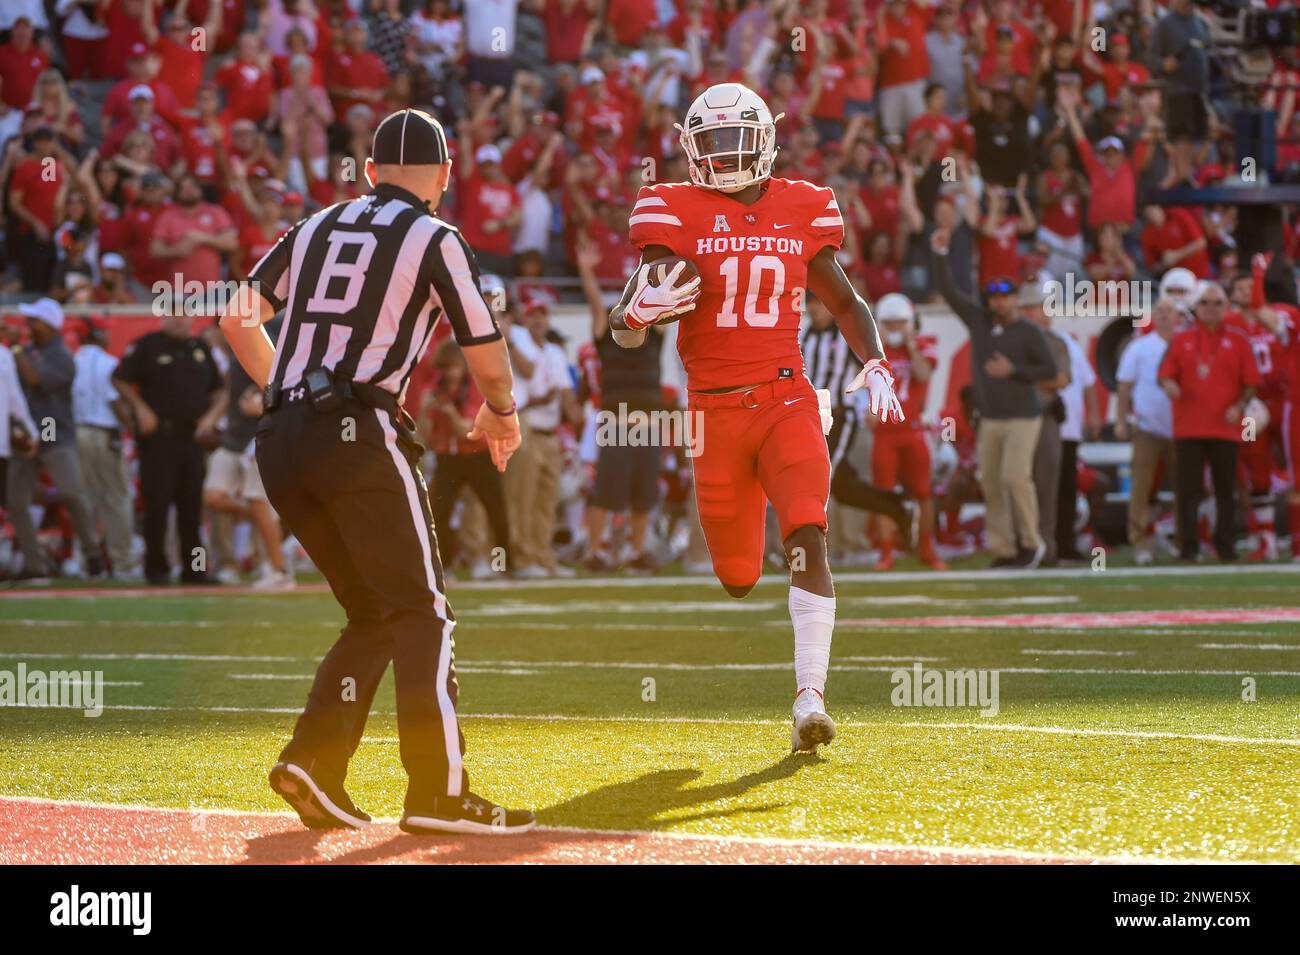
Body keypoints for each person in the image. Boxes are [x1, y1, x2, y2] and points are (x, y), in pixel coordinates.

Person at [219, 108, 535, 835]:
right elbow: (482, 340)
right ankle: (437, 791)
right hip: (357, 428)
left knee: (376, 611)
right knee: (423, 610)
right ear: (445, 176)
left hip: (280, 440)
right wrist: (503, 411)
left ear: (367, 173)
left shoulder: (315, 225)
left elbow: (237, 316)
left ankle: (314, 761)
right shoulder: (436, 236)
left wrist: (286, 393)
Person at [613, 83, 904, 753]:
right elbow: (624, 330)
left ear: (762, 141)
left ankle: (810, 697)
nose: (720, 155)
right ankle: (789, 659)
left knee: (808, 527)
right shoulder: (671, 208)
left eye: (731, 140)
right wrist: (634, 316)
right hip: (712, 414)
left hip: (785, 396)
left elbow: (845, 299)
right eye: (708, 143)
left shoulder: (802, 205)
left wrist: (877, 361)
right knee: (739, 575)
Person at [931, 229, 1057, 568]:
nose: (999, 302)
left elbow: (1049, 369)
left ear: (1016, 298)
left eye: (1005, 296)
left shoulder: (1029, 332)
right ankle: (1003, 548)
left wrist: (1014, 370)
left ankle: (1031, 544)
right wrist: (941, 255)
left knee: (1015, 477)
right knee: (991, 482)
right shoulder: (981, 323)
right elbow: (951, 293)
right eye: (993, 297)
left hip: (1022, 416)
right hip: (990, 417)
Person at [112, 314, 227, 585]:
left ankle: (195, 569)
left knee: (192, 507)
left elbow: (221, 390)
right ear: (164, 318)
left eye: (185, 316)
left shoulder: (200, 348)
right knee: (157, 504)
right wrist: (141, 410)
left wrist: (211, 418)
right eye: (174, 316)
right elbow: (119, 379)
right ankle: (156, 569)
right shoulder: (147, 346)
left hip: (192, 438)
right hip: (159, 438)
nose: (180, 321)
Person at [1158, 283, 1260, 562]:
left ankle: (1225, 546)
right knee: (1187, 490)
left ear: (1226, 307)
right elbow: (1165, 374)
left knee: (1226, 489)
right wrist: (1170, 386)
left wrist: (1238, 406)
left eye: (1217, 303)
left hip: (1225, 428)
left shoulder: (1239, 340)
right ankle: (1187, 547)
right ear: (1196, 307)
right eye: (1205, 303)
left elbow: (1251, 383)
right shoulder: (1181, 339)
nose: (1211, 308)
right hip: (1188, 426)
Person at [6, 299, 103, 578]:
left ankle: (92, 554)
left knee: (72, 493)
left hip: (54, 433)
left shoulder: (61, 355)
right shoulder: (24, 351)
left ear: (48, 325)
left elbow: (37, 380)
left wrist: (15, 348)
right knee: (17, 501)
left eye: (34, 321)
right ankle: (35, 564)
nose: (28, 326)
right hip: (25, 436)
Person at [870, 292, 943, 570]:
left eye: (900, 323)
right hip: (884, 433)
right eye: (889, 323)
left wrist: (910, 345)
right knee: (884, 494)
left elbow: (924, 374)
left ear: (911, 322)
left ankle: (927, 549)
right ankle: (886, 552)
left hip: (913, 430)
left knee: (923, 493)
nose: (895, 329)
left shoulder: (924, 345)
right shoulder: (873, 349)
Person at [504, 296, 575, 579]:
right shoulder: (517, 339)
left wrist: (574, 410)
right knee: (523, 496)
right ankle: (522, 558)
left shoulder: (555, 351)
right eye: (533, 315)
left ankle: (544, 556)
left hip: (550, 430)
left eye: (543, 315)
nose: (538, 320)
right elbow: (527, 371)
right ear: (524, 317)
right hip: (527, 426)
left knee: (547, 499)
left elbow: (565, 390)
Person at [1116, 299, 1181, 565]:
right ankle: (1140, 542)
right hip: (1146, 426)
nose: (1165, 316)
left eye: (1170, 311)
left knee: (1184, 488)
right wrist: (1121, 420)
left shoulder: (1186, 343)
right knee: (1141, 488)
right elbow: (1124, 386)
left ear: (1178, 315)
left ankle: (1183, 540)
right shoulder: (1140, 346)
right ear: (1153, 316)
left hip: (1182, 429)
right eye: (1160, 312)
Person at [72, 316, 136, 579]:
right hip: (104, 434)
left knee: (85, 499)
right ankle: (122, 563)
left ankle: (86, 561)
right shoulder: (107, 363)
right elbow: (114, 402)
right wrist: (132, 427)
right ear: (96, 334)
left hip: (76, 434)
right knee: (116, 499)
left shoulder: (71, 361)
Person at [1021, 284, 1072, 567]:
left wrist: (1020, 375)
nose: (1045, 314)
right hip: (1014, 418)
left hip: (1044, 417)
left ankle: (1046, 547)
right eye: (1039, 307)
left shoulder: (1056, 343)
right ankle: (1022, 545)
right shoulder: (1010, 340)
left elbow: (1062, 380)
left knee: (1046, 484)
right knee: (1016, 484)